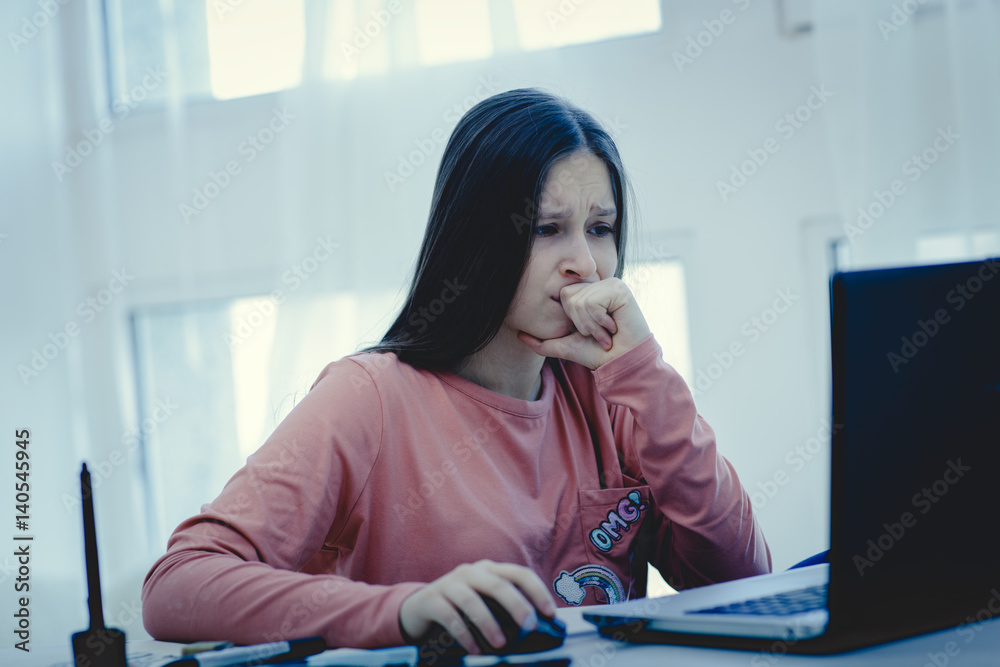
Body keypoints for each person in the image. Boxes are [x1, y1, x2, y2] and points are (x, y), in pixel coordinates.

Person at [141, 88, 771, 653]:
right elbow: (178, 586)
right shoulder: (370, 398)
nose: (586, 262)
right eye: (547, 229)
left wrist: (647, 375)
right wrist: (405, 610)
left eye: (600, 229)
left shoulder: (617, 393)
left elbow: (744, 585)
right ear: (475, 240)